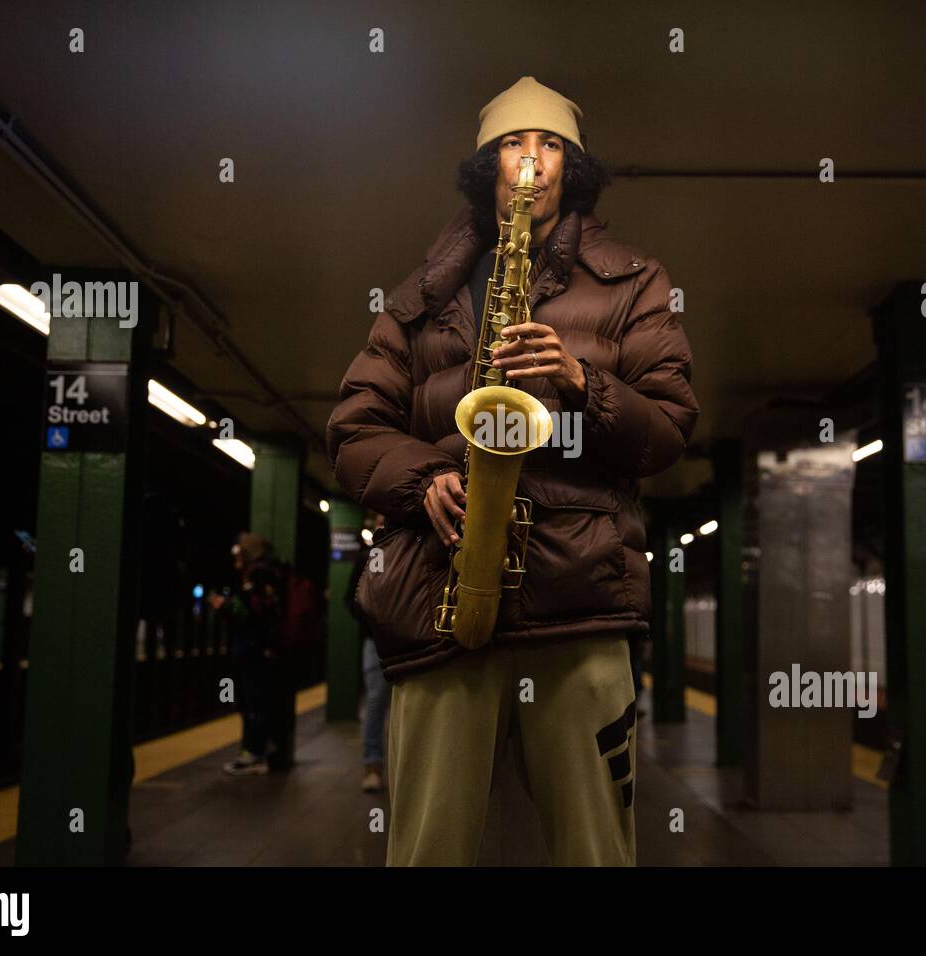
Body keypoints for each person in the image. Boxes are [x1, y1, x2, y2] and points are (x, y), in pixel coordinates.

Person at [326, 76, 698, 865]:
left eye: (552, 144)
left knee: (596, 851)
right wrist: (423, 479)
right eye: (514, 143)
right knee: (426, 852)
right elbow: (354, 427)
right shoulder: (416, 301)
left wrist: (580, 382)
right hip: (443, 599)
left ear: (574, 167)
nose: (533, 159)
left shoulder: (635, 281)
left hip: (579, 604)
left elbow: (668, 430)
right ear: (485, 165)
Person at [218, 532, 287, 776]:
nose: (235, 555)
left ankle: (254, 752)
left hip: (252, 650)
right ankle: (259, 748)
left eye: (239, 551)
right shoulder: (264, 573)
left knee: (252, 702)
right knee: (250, 701)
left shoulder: (257, 574)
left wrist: (225, 607)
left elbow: (253, 614)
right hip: (253, 649)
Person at [347, 512, 390, 792]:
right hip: (376, 642)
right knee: (376, 702)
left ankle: (393, 768)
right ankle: (373, 764)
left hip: (400, 643)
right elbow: (351, 599)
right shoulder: (369, 555)